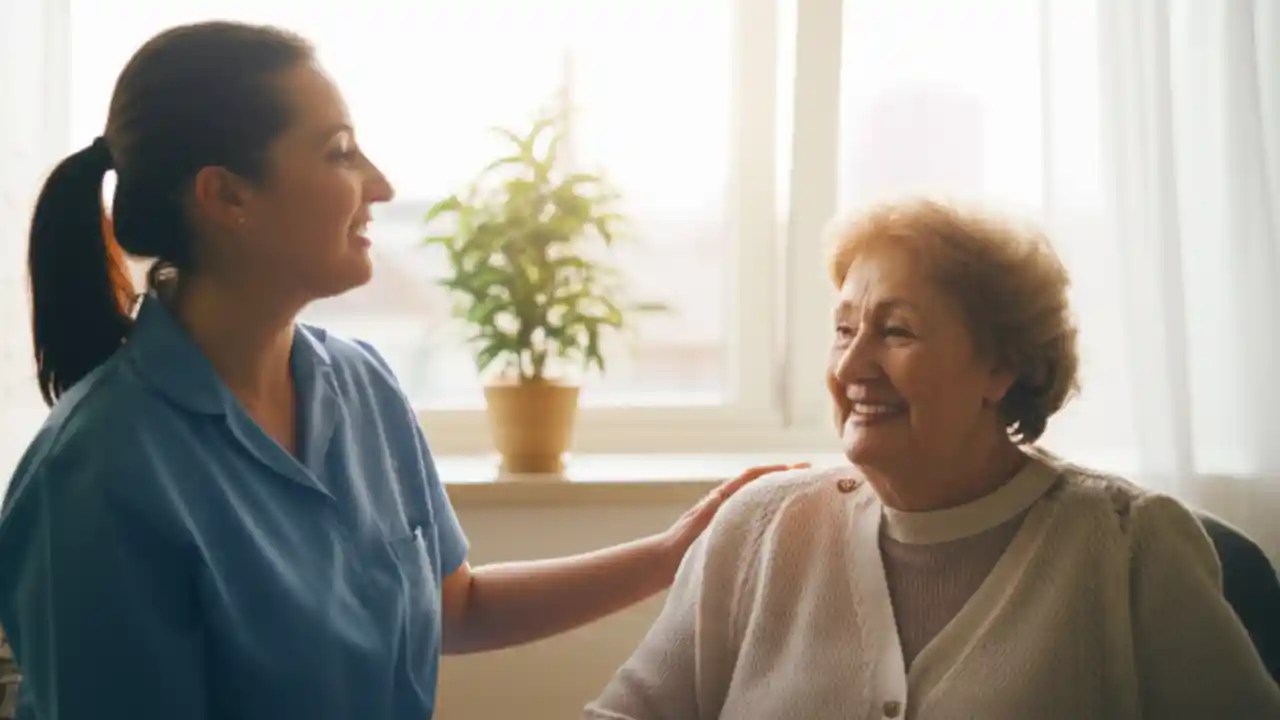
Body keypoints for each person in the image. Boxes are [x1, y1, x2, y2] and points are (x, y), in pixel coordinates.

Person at [0, 22, 798, 720]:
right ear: (226, 196)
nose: (380, 185)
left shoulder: (360, 386)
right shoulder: (96, 476)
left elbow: (457, 605)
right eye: (339, 152)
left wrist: (672, 554)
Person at [586, 199, 1280, 718]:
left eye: (896, 331)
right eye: (845, 328)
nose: (853, 364)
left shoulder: (1131, 549)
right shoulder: (759, 529)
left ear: (1000, 367)